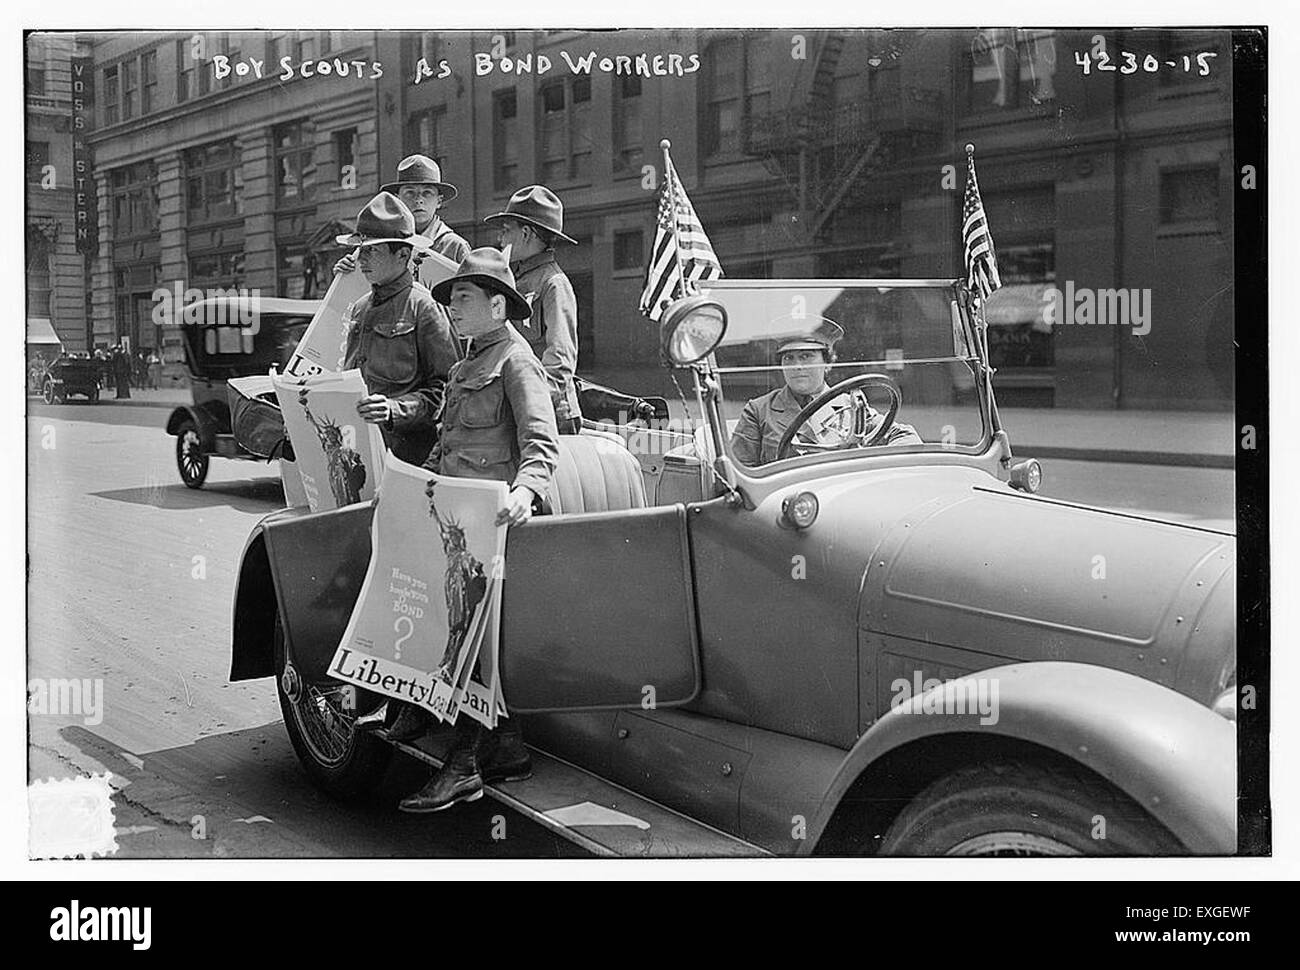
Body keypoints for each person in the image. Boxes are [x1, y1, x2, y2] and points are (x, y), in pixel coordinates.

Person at [393, 247, 559, 814]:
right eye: (450, 298)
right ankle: (507, 750)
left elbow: (542, 444)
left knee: (468, 635)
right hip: (457, 523)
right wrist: (422, 484)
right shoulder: (465, 366)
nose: (453, 308)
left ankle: (463, 764)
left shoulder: (516, 360)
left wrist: (525, 492)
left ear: (496, 305)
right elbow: (448, 444)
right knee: (457, 630)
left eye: (462, 298)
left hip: (499, 525)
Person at [334, 192, 461, 466]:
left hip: (409, 458)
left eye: (372, 251)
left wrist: (394, 409)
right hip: (360, 453)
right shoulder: (359, 309)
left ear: (403, 254)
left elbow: (447, 391)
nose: (361, 260)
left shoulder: (425, 307)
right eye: (360, 250)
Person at [729, 321, 922, 466]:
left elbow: (903, 434)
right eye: (789, 358)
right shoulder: (759, 410)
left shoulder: (851, 405)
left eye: (806, 357)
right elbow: (739, 472)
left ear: (828, 363)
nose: (797, 366)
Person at [484, 185, 583, 434]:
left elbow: (560, 363)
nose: (501, 239)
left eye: (507, 231)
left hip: (551, 416)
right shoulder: (509, 280)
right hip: (514, 407)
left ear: (526, 233)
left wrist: (528, 402)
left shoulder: (553, 284)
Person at [334, 155, 470, 295]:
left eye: (427, 193)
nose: (419, 200)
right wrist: (346, 276)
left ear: (439, 201)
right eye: (410, 193)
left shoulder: (454, 246)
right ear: (398, 199)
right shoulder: (379, 242)